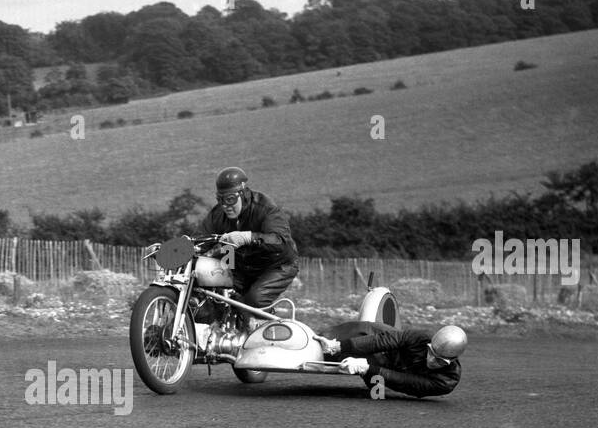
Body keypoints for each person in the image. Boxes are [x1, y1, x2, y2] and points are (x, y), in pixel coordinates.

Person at [200, 167, 298, 330]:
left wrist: (248, 237)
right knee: (217, 291)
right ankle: (225, 335)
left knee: (255, 300)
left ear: (243, 194)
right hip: (238, 261)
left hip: (275, 263)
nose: (225, 205)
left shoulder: (265, 208)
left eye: (230, 199)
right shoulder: (217, 215)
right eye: (220, 199)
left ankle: (274, 333)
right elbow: (200, 238)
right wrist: (177, 251)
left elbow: (280, 241)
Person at [315, 324, 467, 398]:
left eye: (439, 361)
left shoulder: (448, 381)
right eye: (430, 352)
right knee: (357, 335)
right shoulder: (421, 337)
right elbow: (383, 340)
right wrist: (338, 345)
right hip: (387, 355)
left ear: (452, 360)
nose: (431, 360)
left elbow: (406, 382)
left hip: (387, 379)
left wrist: (366, 368)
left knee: (357, 365)